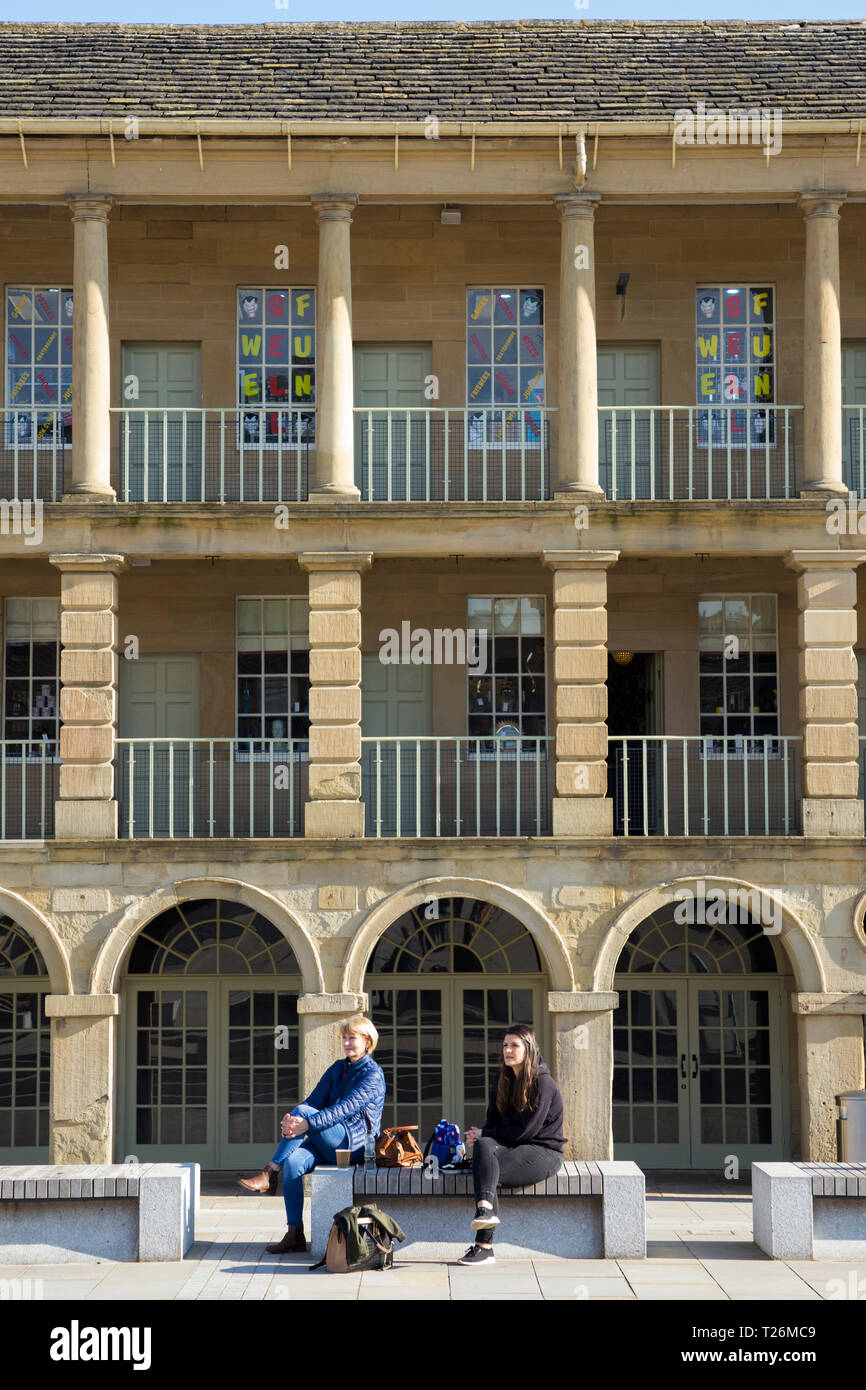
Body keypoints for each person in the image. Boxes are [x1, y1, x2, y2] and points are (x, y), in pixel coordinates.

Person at [238, 1015, 385, 1255]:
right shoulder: (338, 1068)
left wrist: (305, 1122)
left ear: (367, 1041)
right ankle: (294, 1233)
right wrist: (293, 1120)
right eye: (344, 1038)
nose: (347, 1043)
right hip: (329, 1138)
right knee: (294, 1162)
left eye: (352, 1038)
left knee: (304, 1114)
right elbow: (314, 1101)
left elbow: (342, 1110)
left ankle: (270, 1172)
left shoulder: (372, 1075)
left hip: (354, 1145)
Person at [459, 1022, 565, 1266]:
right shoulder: (502, 1079)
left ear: (528, 1049)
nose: (508, 1050)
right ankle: (484, 1211)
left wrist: (486, 1132)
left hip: (543, 1151)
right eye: (505, 1045)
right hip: (514, 1146)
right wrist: (483, 1135)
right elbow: (492, 1121)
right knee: (485, 1147)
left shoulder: (543, 1083)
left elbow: (525, 1131)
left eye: (514, 1045)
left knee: (487, 1170)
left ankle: (484, 1246)